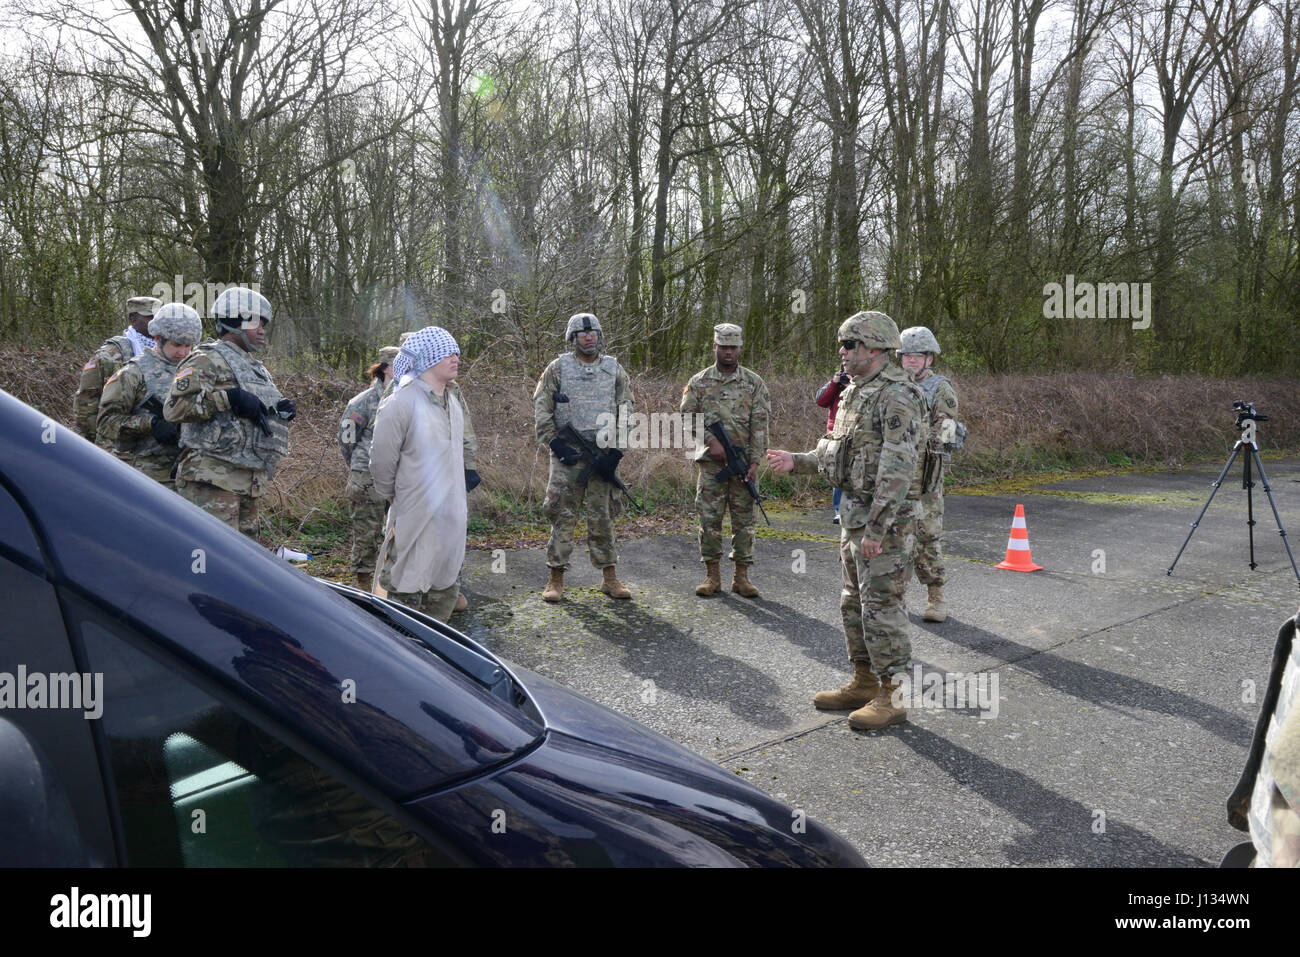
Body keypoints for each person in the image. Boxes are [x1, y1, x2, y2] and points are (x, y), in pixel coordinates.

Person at [767, 311, 926, 730]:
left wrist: (877, 528)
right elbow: (838, 453)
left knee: (882, 607)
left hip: (884, 523)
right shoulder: (855, 392)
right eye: (842, 344)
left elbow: (898, 468)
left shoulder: (898, 395)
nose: (842, 351)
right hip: (853, 516)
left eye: (849, 344)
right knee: (853, 603)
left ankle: (893, 696)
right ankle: (863, 681)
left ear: (874, 349)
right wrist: (796, 461)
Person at [163, 287, 295, 539]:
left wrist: (280, 411)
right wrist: (227, 398)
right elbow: (174, 409)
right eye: (255, 323)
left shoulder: (255, 368)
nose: (261, 331)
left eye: (264, 325)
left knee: (244, 562)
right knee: (214, 558)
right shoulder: (206, 359)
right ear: (234, 321)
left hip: (249, 479)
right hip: (212, 479)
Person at [368, 326, 476, 623]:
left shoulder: (452, 402)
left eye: (456, 351)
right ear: (427, 358)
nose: (456, 357)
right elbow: (381, 466)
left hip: (451, 520)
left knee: (443, 598)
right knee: (404, 601)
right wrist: (405, 498)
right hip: (414, 518)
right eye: (447, 352)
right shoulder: (401, 402)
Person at [533, 312, 634, 602]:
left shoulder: (614, 369)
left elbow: (626, 410)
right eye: (582, 333)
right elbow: (541, 407)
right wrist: (555, 443)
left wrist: (616, 452)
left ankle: (609, 578)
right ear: (572, 338)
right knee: (562, 516)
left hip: (602, 453)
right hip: (568, 456)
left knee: (603, 517)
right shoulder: (558, 368)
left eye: (593, 333)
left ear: (599, 337)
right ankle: (555, 578)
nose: (589, 338)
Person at [680, 323, 770, 598]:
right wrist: (711, 441)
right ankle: (712, 576)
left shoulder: (754, 383)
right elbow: (686, 416)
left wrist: (755, 462)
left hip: (742, 463)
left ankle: (741, 577)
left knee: (744, 521)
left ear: (740, 348)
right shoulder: (699, 382)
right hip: (711, 464)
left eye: (733, 347)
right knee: (709, 520)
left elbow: (760, 425)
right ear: (715, 347)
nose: (728, 352)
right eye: (724, 347)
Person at [96, 303, 203, 488]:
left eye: (188, 345)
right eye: (177, 344)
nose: (183, 352)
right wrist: (150, 425)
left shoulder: (196, 369)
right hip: (149, 477)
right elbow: (106, 422)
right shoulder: (133, 373)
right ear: (158, 338)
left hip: (192, 476)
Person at [899, 326, 960, 623]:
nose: (910, 361)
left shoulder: (941, 388)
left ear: (929, 359)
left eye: (917, 356)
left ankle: (936, 597)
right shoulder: (893, 386)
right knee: (894, 538)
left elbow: (946, 432)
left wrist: (924, 443)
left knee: (926, 536)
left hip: (926, 478)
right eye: (906, 356)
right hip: (895, 476)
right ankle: (893, 597)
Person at [338, 345, 400, 592]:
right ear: (384, 369)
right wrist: (358, 468)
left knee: (396, 534)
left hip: (395, 478)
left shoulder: (403, 398)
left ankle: (389, 585)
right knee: (367, 535)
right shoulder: (362, 402)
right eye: (398, 365)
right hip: (366, 478)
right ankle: (364, 587)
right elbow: (346, 440)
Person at [73, 296, 162, 443]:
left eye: (159, 317)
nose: (156, 322)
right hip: (118, 444)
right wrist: (94, 443)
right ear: (134, 320)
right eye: (150, 317)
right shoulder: (109, 356)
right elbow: (86, 404)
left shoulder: (168, 349)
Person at [815, 363, 852, 524]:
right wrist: (834, 383)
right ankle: (838, 510)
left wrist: (851, 386)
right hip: (835, 434)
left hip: (853, 433)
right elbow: (821, 401)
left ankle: (851, 508)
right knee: (836, 472)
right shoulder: (835, 384)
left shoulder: (862, 385)